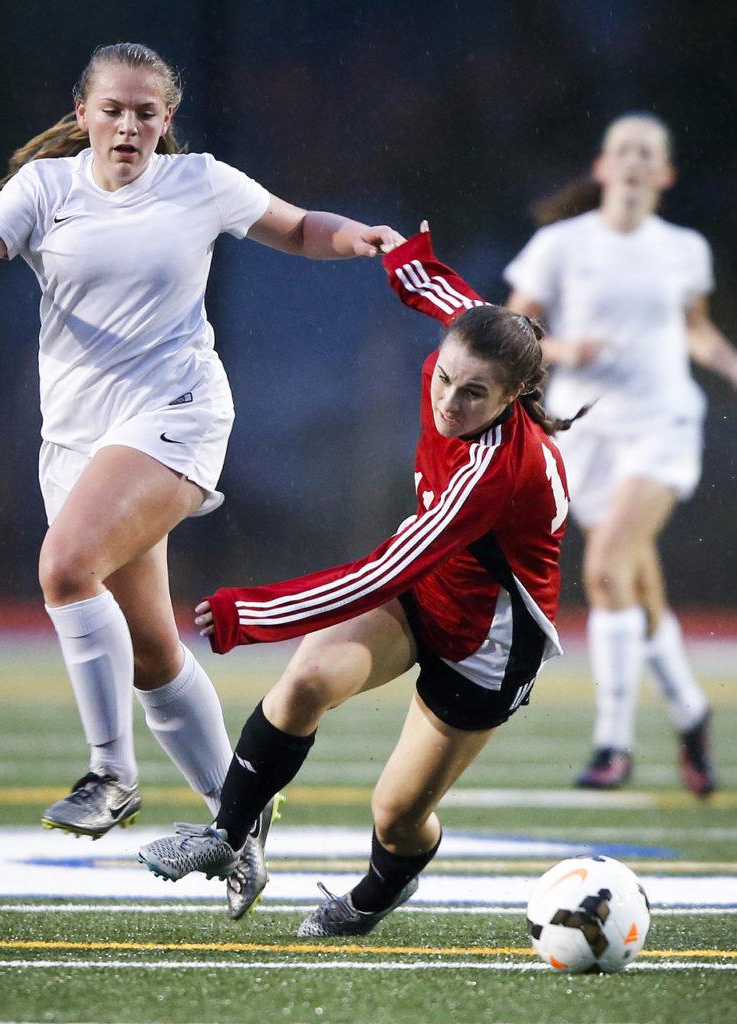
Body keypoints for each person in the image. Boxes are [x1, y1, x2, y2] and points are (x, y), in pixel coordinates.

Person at [0, 41, 403, 920]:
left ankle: (111, 773)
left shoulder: (199, 181)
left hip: (179, 414)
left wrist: (356, 237)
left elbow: (294, 226)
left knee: (65, 569)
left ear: (166, 118)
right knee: (152, 653)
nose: (129, 125)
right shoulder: (44, 191)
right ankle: (237, 823)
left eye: (146, 111)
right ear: (85, 112)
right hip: (78, 444)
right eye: (114, 109)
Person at [137, 224, 585, 937]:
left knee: (398, 815)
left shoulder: (495, 474)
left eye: (474, 394)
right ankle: (225, 835)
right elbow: (446, 298)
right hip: (427, 593)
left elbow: (384, 570)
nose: (449, 401)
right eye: (444, 376)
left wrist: (250, 613)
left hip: (487, 647)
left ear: (513, 397)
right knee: (307, 680)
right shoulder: (475, 344)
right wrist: (402, 257)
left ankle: (375, 896)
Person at [504, 112, 737, 796]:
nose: (634, 162)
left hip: (662, 424)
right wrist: (560, 349)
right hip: (586, 431)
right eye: (623, 151)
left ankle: (613, 743)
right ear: (603, 167)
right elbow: (514, 330)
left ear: (663, 175)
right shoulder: (560, 244)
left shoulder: (684, 248)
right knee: (635, 582)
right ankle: (692, 712)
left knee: (605, 569)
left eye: (649, 154)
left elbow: (696, 332)